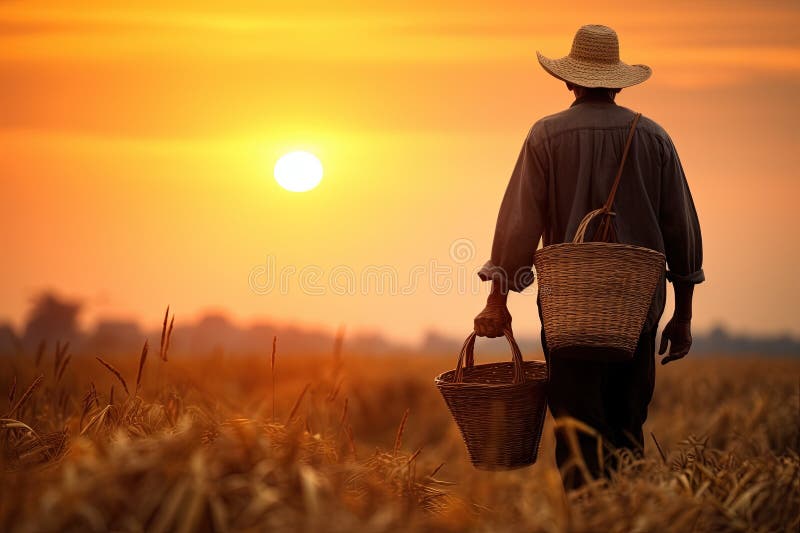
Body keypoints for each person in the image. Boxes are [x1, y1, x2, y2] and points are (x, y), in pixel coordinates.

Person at [472, 24, 704, 489]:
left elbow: (519, 225)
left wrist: (497, 301)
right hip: (636, 311)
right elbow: (681, 231)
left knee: (577, 432)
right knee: (626, 427)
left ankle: (586, 517)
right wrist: (682, 316)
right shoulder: (654, 138)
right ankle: (624, 516)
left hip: (568, 314)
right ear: (619, 82)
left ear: (568, 80)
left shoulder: (545, 136)